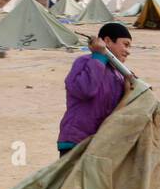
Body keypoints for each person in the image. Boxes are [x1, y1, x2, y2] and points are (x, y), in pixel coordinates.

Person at [57, 22, 135, 157]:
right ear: (107, 41)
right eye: (125, 44)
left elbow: (118, 112)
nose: (128, 51)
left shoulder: (119, 74)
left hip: (99, 144)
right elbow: (86, 90)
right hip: (75, 142)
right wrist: (99, 57)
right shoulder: (85, 62)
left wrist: (129, 91)